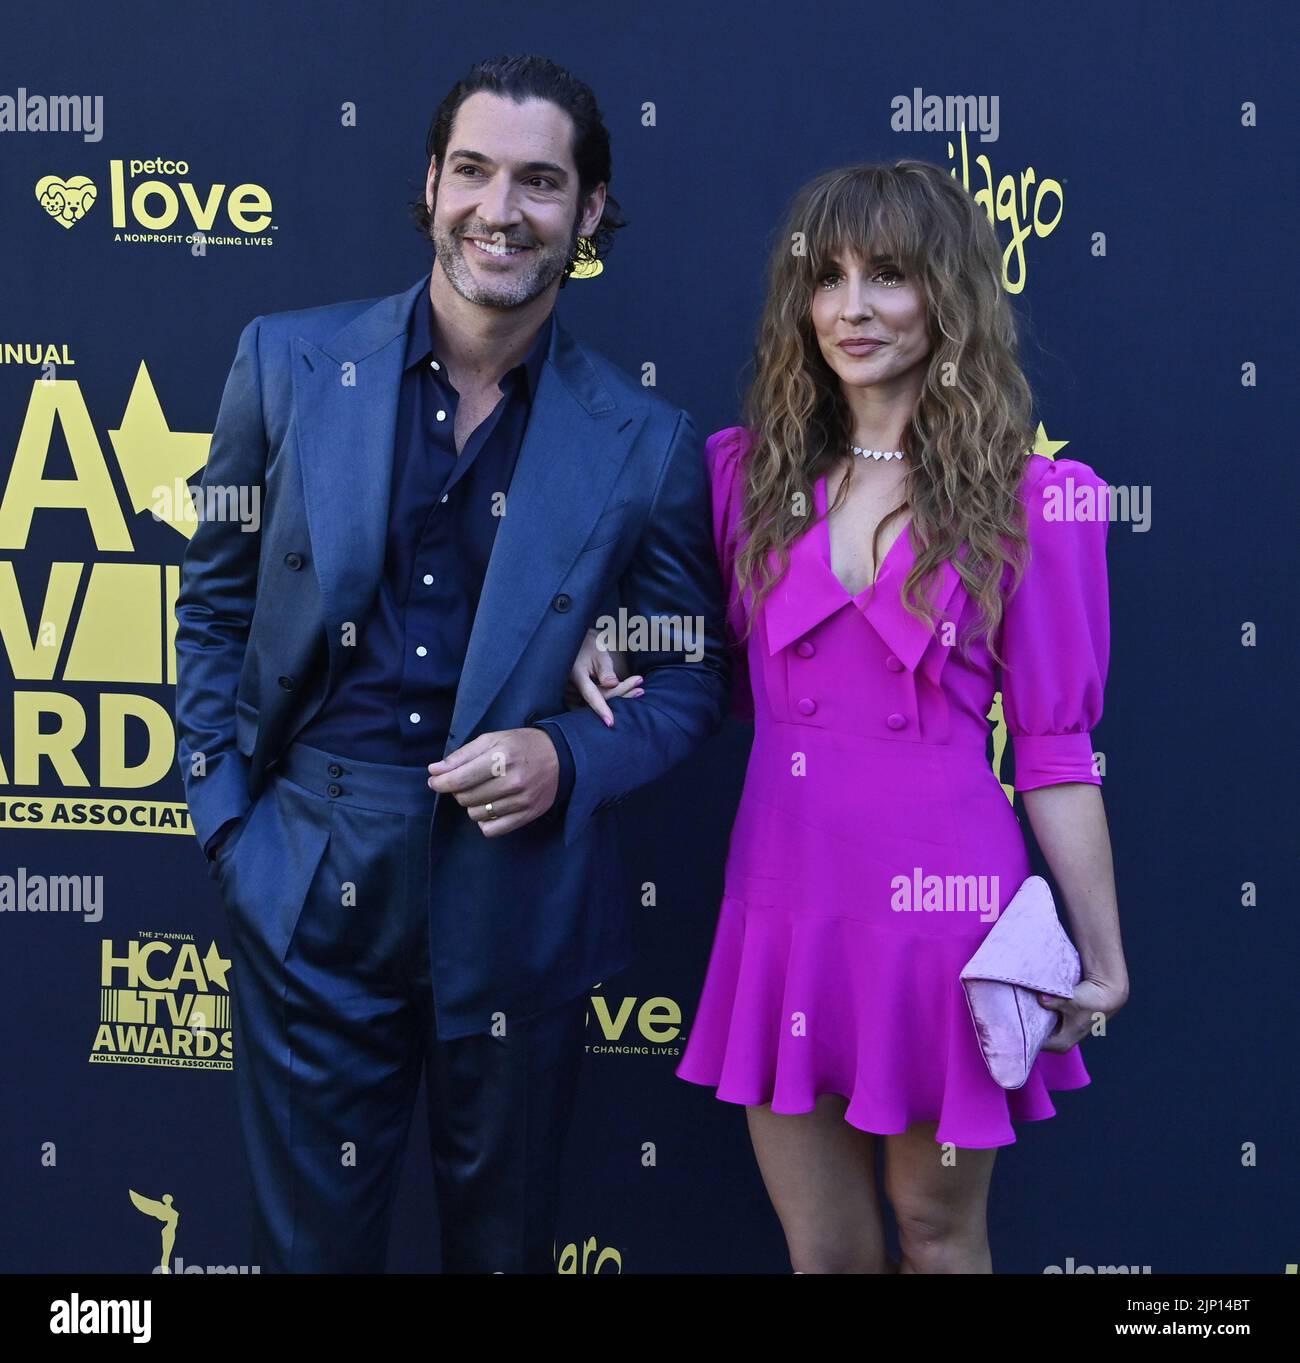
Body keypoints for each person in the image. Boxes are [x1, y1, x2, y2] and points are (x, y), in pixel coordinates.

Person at [174, 53, 729, 1274]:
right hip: (310, 871)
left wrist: (568, 753)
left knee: (504, 1255)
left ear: (587, 214)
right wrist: (229, 825)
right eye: (473, 170)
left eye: (541, 182)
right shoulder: (285, 363)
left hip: (522, 897)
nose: (500, 208)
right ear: (430, 184)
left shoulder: (645, 442)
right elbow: (211, 606)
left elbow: (687, 671)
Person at [569, 160, 1129, 1274]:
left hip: (947, 914)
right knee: (822, 1248)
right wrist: (618, 638)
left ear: (949, 293)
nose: (852, 307)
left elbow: (1058, 752)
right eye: (826, 278)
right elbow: (722, 666)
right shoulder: (740, 476)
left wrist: (1102, 957)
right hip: (784, 898)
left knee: (936, 1229)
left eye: (888, 275)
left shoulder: (1036, 498)